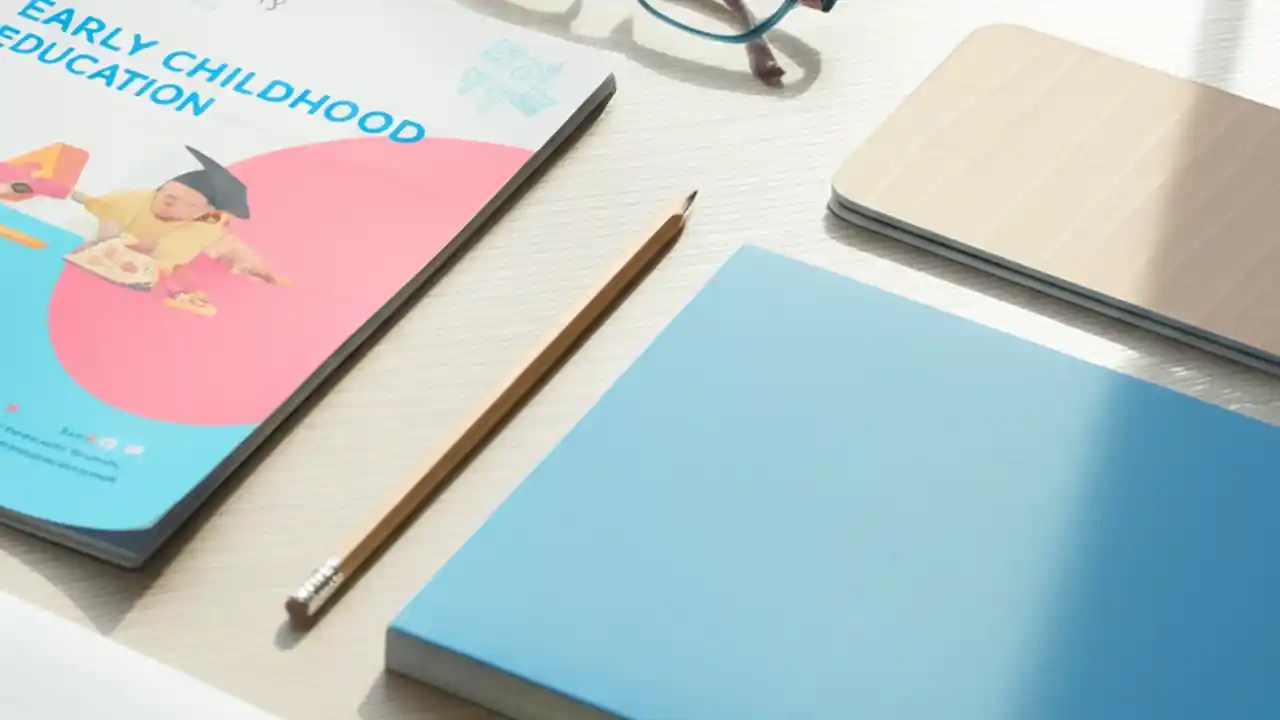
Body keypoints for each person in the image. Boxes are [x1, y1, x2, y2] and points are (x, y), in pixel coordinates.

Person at [69, 146, 280, 284]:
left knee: (236, 253)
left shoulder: (200, 230)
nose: (167, 203)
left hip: (159, 259)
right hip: (123, 241)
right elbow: (108, 215)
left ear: (202, 213)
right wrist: (109, 241)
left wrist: (251, 263)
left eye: (184, 203)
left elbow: (224, 246)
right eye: (165, 195)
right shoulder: (134, 201)